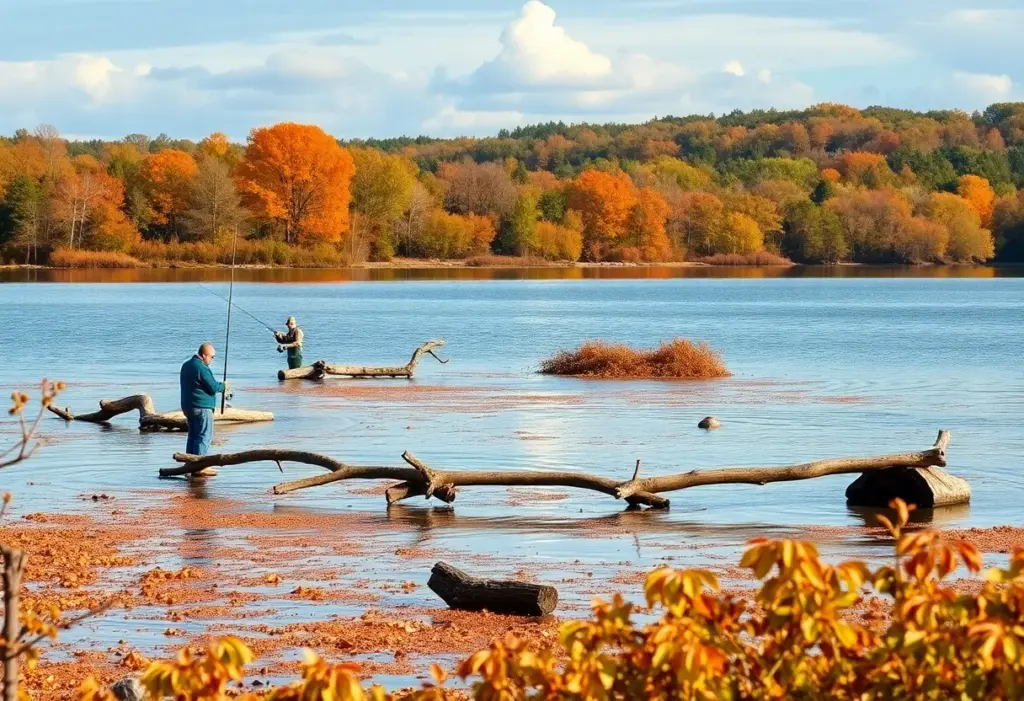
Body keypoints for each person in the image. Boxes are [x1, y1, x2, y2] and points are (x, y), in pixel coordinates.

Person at [179, 343, 227, 456]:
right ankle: (199, 465)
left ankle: (189, 462)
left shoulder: (186, 365)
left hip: (188, 407)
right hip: (202, 407)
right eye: (212, 357)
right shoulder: (201, 367)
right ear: (204, 355)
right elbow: (213, 387)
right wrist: (224, 386)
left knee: (193, 436)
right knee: (204, 437)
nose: (212, 359)